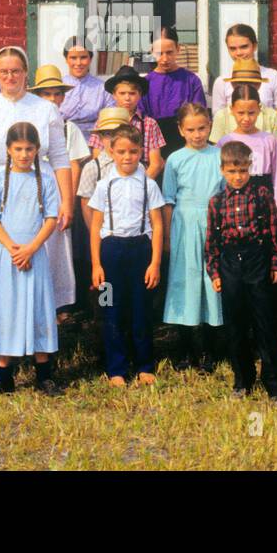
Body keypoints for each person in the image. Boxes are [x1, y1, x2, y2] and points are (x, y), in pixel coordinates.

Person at [0, 47, 73, 318]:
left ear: (25, 72)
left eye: (16, 71)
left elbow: (59, 157)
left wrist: (67, 201)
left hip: (39, 189)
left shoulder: (45, 109)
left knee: (38, 254)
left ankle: (37, 322)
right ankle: (2, 325)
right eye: (4, 72)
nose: (10, 77)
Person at [0, 122, 64, 395]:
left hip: (35, 255)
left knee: (38, 308)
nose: (24, 154)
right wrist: (15, 249)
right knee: (7, 310)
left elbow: (51, 217)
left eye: (29, 149)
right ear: (8, 149)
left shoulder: (46, 180)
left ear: (37, 149)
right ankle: (4, 378)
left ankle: (44, 376)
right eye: (18, 148)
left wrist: (31, 248)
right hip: (7, 257)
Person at [205, 141, 277, 401]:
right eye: (232, 171)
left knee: (265, 323)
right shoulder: (216, 202)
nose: (238, 176)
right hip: (230, 264)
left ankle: (275, 384)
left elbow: (275, 231)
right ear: (222, 171)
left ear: (250, 167)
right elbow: (211, 241)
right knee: (235, 325)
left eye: (242, 170)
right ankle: (243, 380)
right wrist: (215, 272)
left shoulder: (262, 194)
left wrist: (276, 262)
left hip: (257, 259)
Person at [90, 126, 166, 386]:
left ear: (141, 152)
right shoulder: (103, 185)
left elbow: (157, 224)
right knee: (110, 308)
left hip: (140, 252)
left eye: (133, 152)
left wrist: (155, 263)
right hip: (110, 252)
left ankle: (144, 365)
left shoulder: (149, 184)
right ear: (111, 152)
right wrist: (96, 265)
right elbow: (94, 226)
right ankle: (116, 369)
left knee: (141, 309)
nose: (127, 157)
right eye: (121, 152)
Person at [161, 103, 225, 371]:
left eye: (202, 128)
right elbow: (168, 200)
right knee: (185, 281)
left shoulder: (219, 155)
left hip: (213, 222)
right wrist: (166, 238)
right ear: (180, 130)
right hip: (184, 224)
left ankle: (211, 350)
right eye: (191, 130)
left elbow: (225, 192)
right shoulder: (175, 159)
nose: (197, 134)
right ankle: (186, 349)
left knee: (212, 282)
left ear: (210, 125)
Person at [29, 63, 91, 317]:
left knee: (58, 247)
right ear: (37, 96)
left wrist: (69, 200)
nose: (53, 99)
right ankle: (33, 300)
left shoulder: (69, 128)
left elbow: (74, 164)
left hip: (59, 192)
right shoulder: (29, 125)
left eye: (57, 93)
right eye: (46, 94)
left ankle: (59, 303)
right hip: (32, 190)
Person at [216, 83, 277, 234]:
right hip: (233, 206)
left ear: (259, 109)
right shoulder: (224, 142)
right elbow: (219, 180)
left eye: (251, 113)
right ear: (231, 110)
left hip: (263, 204)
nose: (246, 119)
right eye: (240, 113)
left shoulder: (269, 140)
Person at [86, 65, 166, 181]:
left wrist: (140, 185)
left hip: (140, 179)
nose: (127, 98)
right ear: (114, 95)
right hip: (109, 181)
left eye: (132, 93)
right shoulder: (103, 122)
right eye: (122, 93)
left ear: (140, 94)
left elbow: (155, 164)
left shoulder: (149, 124)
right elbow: (97, 157)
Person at [141, 26, 206, 159]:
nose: (165, 58)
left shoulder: (191, 80)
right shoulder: (145, 84)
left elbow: (199, 115)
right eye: (159, 53)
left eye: (169, 52)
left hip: (186, 142)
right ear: (151, 51)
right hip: (155, 146)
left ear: (178, 49)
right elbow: (142, 119)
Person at [210, 24, 277, 132]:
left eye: (244, 47)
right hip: (234, 145)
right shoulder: (221, 82)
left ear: (255, 46)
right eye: (232, 49)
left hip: (266, 144)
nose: (238, 53)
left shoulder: (272, 76)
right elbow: (218, 123)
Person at [210, 59, 277, 142]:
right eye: (240, 83)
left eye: (251, 84)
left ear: (259, 84)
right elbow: (216, 149)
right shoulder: (222, 116)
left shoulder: (271, 116)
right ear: (232, 84)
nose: (246, 88)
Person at [58, 35, 113, 139]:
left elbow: (109, 121)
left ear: (90, 58)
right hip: (62, 141)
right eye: (73, 58)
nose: (78, 63)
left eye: (83, 57)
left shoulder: (102, 88)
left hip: (94, 142)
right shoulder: (58, 87)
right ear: (66, 59)